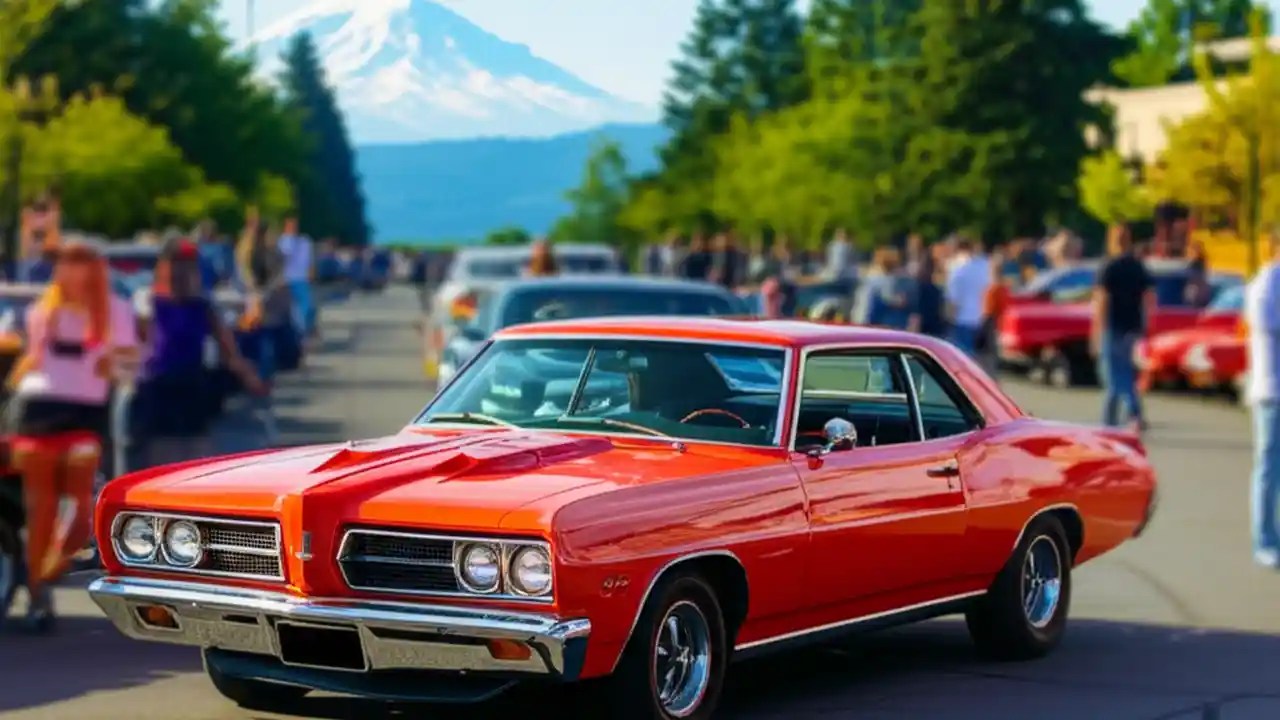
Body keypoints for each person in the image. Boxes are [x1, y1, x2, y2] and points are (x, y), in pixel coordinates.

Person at [4, 237, 139, 632]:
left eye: (79, 264)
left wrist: (113, 363)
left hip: (84, 412)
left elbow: (130, 360)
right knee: (40, 510)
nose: (71, 272)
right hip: (39, 407)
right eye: (65, 264)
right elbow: (32, 359)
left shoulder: (116, 311)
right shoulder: (44, 309)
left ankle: (47, 574)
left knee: (81, 513)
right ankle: (37, 595)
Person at [133, 238, 267, 468]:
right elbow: (135, 343)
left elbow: (229, 350)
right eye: (175, 263)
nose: (180, 271)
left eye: (187, 265)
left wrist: (249, 376)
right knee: (160, 457)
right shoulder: (147, 301)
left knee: (195, 455)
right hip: (157, 387)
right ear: (163, 267)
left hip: (192, 386)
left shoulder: (203, 306)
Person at [1092, 224, 1154, 431]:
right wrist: (1146, 325)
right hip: (1132, 326)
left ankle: (1129, 413)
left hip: (1113, 325)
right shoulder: (1137, 266)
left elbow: (1102, 301)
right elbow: (1149, 298)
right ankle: (1111, 420)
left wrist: (1096, 331)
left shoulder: (1109, 267)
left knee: (1112, 374)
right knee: (1124, 371)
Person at [1244, 231, 1280, 569]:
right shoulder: (1267, 284)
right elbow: (1270, 328)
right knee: (1269, 468)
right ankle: (1265, 541)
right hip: (1272, 392)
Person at [944, 236, 991, 355]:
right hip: (982, 319)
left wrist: (948, 320)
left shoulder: (957, 268)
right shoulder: (985, 265)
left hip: (962, 320)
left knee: (963, 357)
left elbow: (953, 300)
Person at [277, 218, 317, 341]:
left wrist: (311, 271)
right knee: (291, 310)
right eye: (290, 226)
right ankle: (298, 333)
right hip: (287, 279)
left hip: (302, 278)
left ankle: (304, 330)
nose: (293, 228)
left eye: (295, 225)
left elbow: (310, 259)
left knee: (309, 307)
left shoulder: (305, 241)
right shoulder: (281, 242)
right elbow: (278, 262)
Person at [854, 247, 913, 330]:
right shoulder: (884, 280)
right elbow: (888, 299)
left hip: (865, 319)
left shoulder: (869, 278)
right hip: (879, 322)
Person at [907, 253, 946, 338]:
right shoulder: (937, 290)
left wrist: (911, 336)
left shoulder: (918, 289)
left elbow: (916, 316)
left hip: (923, 332)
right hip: (936, 331)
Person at [1185, 240, 1211, 307]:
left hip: (1198, 286)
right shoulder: (1193, 263)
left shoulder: (1199, 262)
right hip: (1195, 286)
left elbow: (1200, 274)